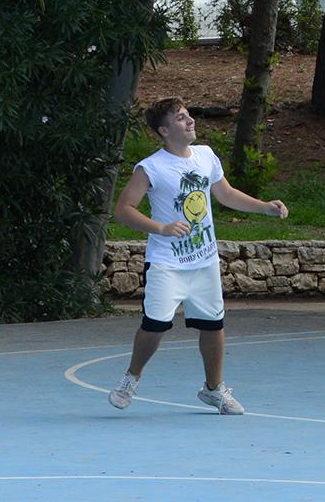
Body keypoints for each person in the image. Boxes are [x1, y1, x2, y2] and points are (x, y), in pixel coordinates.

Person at [107, 97, 290, 414]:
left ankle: (214, 390)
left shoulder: (205, 156)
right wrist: (161, 228)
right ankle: (131, 379)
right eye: (180, 118)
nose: (190, 120)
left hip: (204, 261)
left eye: (188, 115)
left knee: (213, 325)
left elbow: (226, 194)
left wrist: (265, 207)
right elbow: (123, 211)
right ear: (164, 130)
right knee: (155, 325)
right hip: (167, 262)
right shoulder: (150, 167)